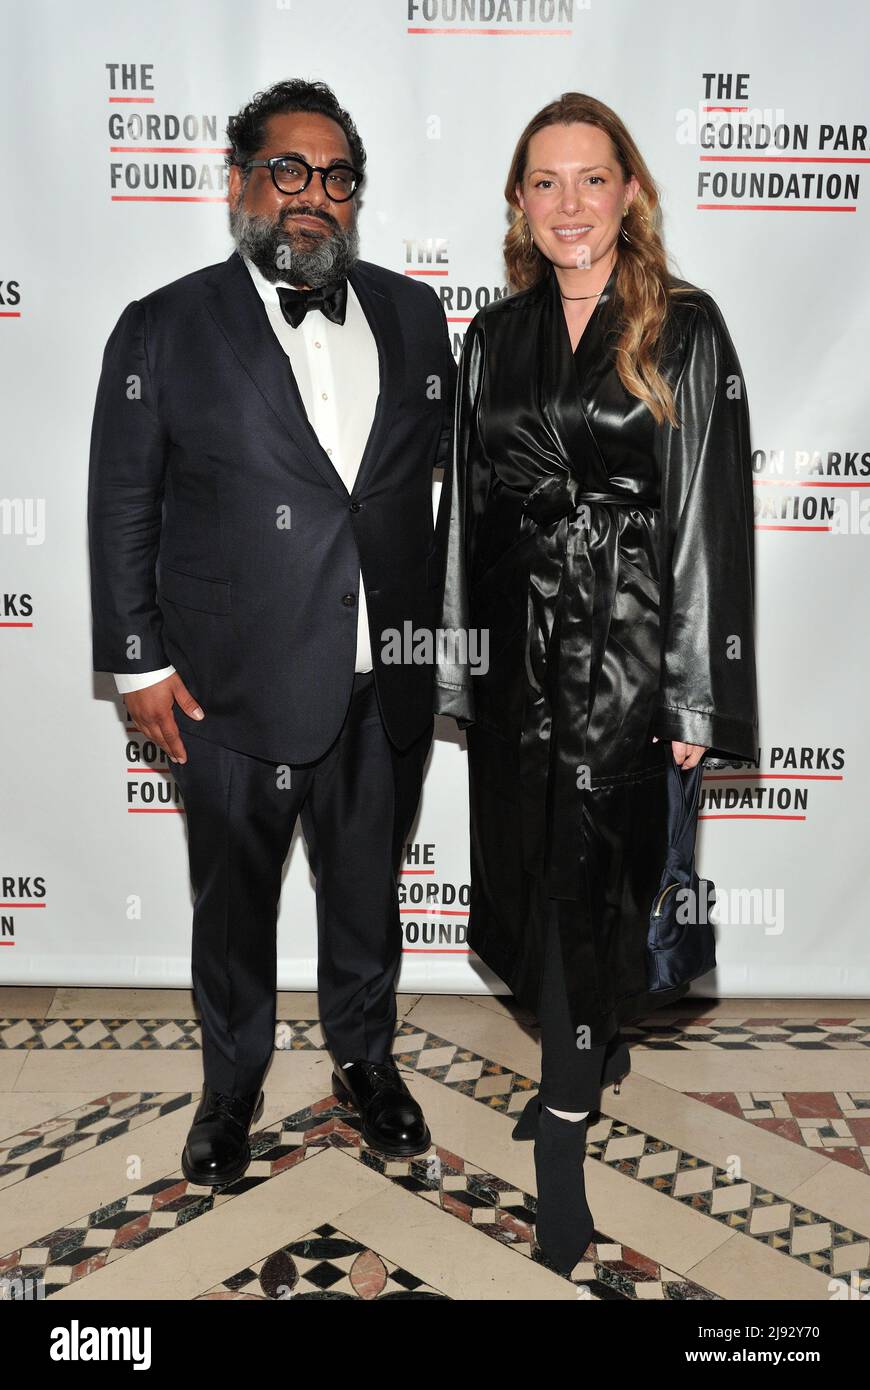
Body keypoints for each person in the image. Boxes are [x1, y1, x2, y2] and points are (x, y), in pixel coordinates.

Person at [88, 79, 456, 1187]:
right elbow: (122, 502)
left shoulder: (411, 312)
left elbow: (422, 495)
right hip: (232, 691)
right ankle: (233, 1082)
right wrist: (138, 658)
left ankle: (365, 1060)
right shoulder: (165, 324)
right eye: (289, 171)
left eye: (337, 178)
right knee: (234, 905)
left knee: (368, 895)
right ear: (239, 181)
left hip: (375, 684)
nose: (314, 198)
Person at [434, 92, 758, 1275]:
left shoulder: (683, 325)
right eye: (545, 181)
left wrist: (694, 698)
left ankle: (562, 1139)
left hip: (631, 649)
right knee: (533, 879)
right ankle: (591, 1047)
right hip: (521, 656)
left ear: (630, 190)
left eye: (591, 177)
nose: (570, 204)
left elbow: (709, 521)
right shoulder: (493, 337)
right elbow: (467, 517)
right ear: (520, 203)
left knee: (602, 884)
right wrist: (461, 670)